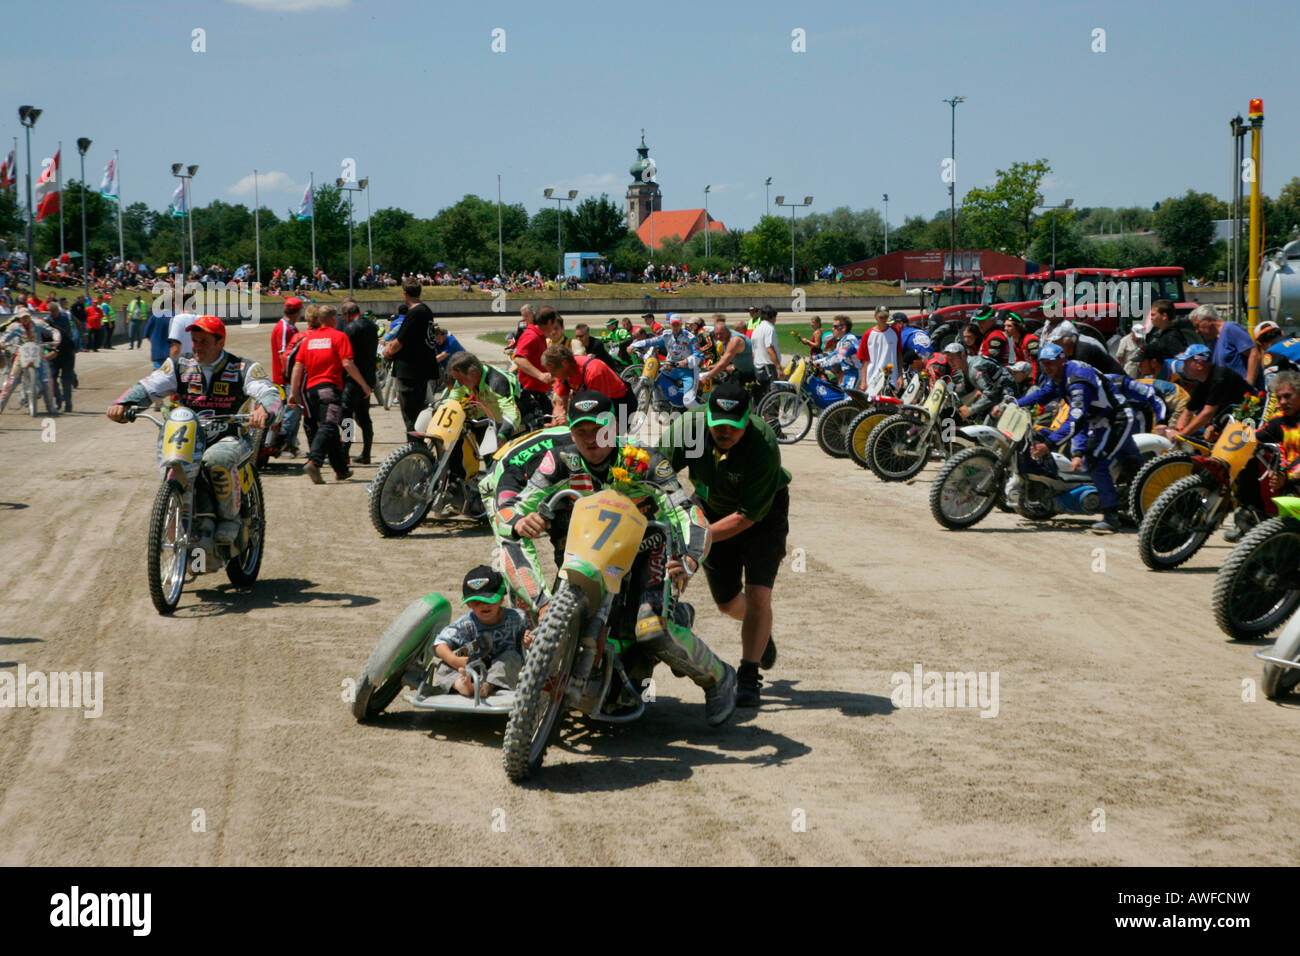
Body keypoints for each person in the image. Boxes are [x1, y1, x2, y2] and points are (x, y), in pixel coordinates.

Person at [509, 391, 736, 725]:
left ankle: (718, 677)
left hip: (647, 554)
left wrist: (689, 559)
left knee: (649, 630)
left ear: (614, 426)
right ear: (570, 431)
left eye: (598, 429)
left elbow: (686, 512)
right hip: (582, 560)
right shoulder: (557, 459)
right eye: (580, 431)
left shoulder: (645, 460)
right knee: (548, 620)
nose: (590, 439)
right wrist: (519, 520)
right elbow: (521, 504)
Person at [658, 381, 788, 708]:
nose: (724, 432)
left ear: (749, 418)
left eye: (734, 426)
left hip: (761, 515)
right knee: (728, 604)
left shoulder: (763, 443)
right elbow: (653, 473)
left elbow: (746, 516)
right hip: (710, 506)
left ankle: (749, 673)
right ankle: (759, 628)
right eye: (718, 425)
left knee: (759, 595)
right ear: (707, 416)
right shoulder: (689, 428)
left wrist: (695, 544)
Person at [106, 315, 281, 547]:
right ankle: (178, 509)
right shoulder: (178, 365)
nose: (197, 347)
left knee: (216, 459)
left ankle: (230, 520)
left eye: (203, 341)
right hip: (188, 436)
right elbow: (150, 385)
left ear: (220, 343)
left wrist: (265, 411)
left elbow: (269, 392)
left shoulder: (243, 368)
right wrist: (124, 404)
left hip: (230, 436)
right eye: (194, 340)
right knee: (174, 458)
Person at [1014, 342, 1142, 534]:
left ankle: (1111, 516)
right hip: (1096, 419)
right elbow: (1044, 393)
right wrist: (1017, 403)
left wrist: (1048, 444)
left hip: (1116, 418)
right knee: (1132, 463)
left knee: (1095, 460)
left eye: (1051, 363)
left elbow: (1074, 420)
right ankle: (1140, 503)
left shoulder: (1077, 382)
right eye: (1044, 363)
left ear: (1062, 360)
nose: (1047, 367)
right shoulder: (1058, 376)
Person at [289, 304, 371, 484]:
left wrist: (294, 392)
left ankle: (341, 468)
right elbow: (348, 364)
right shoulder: (341, 335)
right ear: (335, 319)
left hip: (313, 391)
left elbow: (297, 366)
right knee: (336, 424)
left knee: (333, 427)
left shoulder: (308, 340)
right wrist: (364, 385)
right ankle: (316, 460)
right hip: (334, 389)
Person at [430, 566, 530, 699]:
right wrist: (454, 660)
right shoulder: (466, 623)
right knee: (443, 666)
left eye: (489, 600)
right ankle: (462, 685)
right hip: (473, 666)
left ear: (501, 598)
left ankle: (486, 687)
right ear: (468, 604)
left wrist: (527, 640)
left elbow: (530, 639)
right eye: (476, 602)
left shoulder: (517, 618)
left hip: (503, 668)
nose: (483, 605)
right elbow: (439, 643)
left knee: (511, 657)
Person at [1155, 344, 1248, 443]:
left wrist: (1182, 435)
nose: (1183, 367)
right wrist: (1177, 432)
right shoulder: (1202, 381)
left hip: (1249, 418)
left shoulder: (1220, 377)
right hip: (1229, 420)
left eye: (1186, 362)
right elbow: (1187, 412)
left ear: (1199, 364)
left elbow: (1207, 413)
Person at [382, 282, 438, 434]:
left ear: (405, 294)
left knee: (411, 414)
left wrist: (388, 352)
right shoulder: (425, 310)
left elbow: (400, 341)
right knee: (418, 410)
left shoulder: (414, 313)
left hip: (411, 370)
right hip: (420, 368)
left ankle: (415, 448)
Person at [542, 343, 635, 425]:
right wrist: (555, 421)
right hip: (596, 401)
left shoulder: (594, 372)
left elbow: (595, 410)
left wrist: (570, 421)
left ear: (565, 363)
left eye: (553, 371)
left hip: (621, 404)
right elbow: (560, 402)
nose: (552, 375)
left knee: (610, 439)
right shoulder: (564, 371)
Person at [630, 313, 703, 408]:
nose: (675, 327)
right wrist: (634, 345)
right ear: (670, 324)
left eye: (677, 324)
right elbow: (651, 341)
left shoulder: (690, 338)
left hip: (688, 372)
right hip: (672, 369)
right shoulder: (666, 335)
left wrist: (687, 361)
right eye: (673, 324)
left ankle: (703, 414)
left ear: (681, 324)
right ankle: (660, 402)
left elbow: (699, 355)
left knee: (688, 401)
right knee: (656, 377)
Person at [0, 309, 59, 415]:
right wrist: (2, 343)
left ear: (30, 316)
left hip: (38, 353)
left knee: (46, 380)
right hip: (21, 353)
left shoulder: (38, 323)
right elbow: (5, 336)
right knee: (12, 381)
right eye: (23, 317)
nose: (25, 319)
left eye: (27, 317)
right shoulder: (14, 326)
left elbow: (53, 330)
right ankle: (0, 405)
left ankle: (50, 407)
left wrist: (56, 340)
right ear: (19, 318)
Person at [340, 300, 377, 465]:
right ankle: (366, 453)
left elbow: (346, 358)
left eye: (343, 315)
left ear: (348, 313)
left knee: (346, 417)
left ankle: (345, 452)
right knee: (364, 417)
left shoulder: (350, 328)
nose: (343, 319)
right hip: (368, 378)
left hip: (353, 380)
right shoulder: (371, 326)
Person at [941, 342, 1017, 423]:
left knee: (989, 425)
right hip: (996, 391)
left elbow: (990, 394)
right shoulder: (963, 367)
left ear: (963, 355)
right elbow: (961, 388)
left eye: (952, 358)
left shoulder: (975, 368)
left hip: (1007, 392)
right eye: (948, 359)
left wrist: (970, 410)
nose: (950, 362)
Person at [511, 305, 558, 427]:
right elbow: (519, 359)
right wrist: (540, 375)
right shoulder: (531, 336)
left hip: (538, 393)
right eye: (554, 325)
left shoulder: (539, 336)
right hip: (530, 395)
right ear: (549, 322)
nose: (554, 329)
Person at [1191, 303, 1259, 386]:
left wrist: (1249, 383)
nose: (1197, 331)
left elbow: (1253, 353)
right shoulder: (1214, 341)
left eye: (1198, 326)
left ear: (1208, 320)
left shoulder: (1230, 328)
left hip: (1242, 390)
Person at [701, 318, 754, 388]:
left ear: (727, 331)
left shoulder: (734, 340)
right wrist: (716, 365)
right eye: (716, 334)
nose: (718, 336)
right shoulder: (725, 338)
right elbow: (726, 358)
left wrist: (706, 378)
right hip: (741, 371)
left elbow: (724, 363)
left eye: (721, 334)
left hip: (752, 374)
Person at [856, 305, 900, 391]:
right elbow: (865, 360)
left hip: (892, 377)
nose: (883, 319)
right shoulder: (868, 334)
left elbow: (899, 355)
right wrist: (863, 381)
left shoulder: (895, 332)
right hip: (873, 377)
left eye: (885, 316)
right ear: (875, 316)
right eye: (881, 317)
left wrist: (900, 375)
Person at [45, 301, 76, 413]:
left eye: (54, 311)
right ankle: (58, 400)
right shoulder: (47, 320)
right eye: (50, 312)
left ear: (58, 310)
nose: (52, 314)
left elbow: (64, 334)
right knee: (52, 378)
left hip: (67, 352)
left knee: (66, 380)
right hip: (54, 353)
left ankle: (68, 403)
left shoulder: (64, 317)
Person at [813, 315, 861, 387]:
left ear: (843, 328)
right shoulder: (842, 341)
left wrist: (821, 364)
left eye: (835, 327)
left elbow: (839, 358)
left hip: (855, 373)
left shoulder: (849, 341)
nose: (832, 329)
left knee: (848, 398)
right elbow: (832, 355)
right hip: (848, 374)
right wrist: (818, 361)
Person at [1055, 324, 1123, 374]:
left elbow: (1084, 377)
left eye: (1057, 342)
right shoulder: (1069, 350)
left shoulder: (1083, 351)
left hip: (1114, 381)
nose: (1056, 346)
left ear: (1067, 341)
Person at [750, 305, 783, 402]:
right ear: (772, 317)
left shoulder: (756, 329)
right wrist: (779, 367)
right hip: (768, 368)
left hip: (758, 367)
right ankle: (773, 417)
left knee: (763, 397)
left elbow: (754, 353)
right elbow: (769, 349)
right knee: (774, 397)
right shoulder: (769, 329)